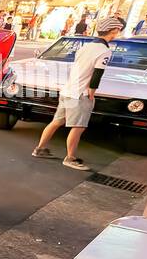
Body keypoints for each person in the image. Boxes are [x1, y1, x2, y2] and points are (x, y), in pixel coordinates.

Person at [31, 15, 126, 170]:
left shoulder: (85, 46)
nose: (119, 33)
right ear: (114, 30)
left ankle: (40, 149)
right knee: (78, 127)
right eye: (118, 30)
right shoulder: (104, 50)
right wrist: (92, 93)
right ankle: (70, 158)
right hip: (80, 93)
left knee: (57, 121)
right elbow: (97, 74)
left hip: (68, 89)